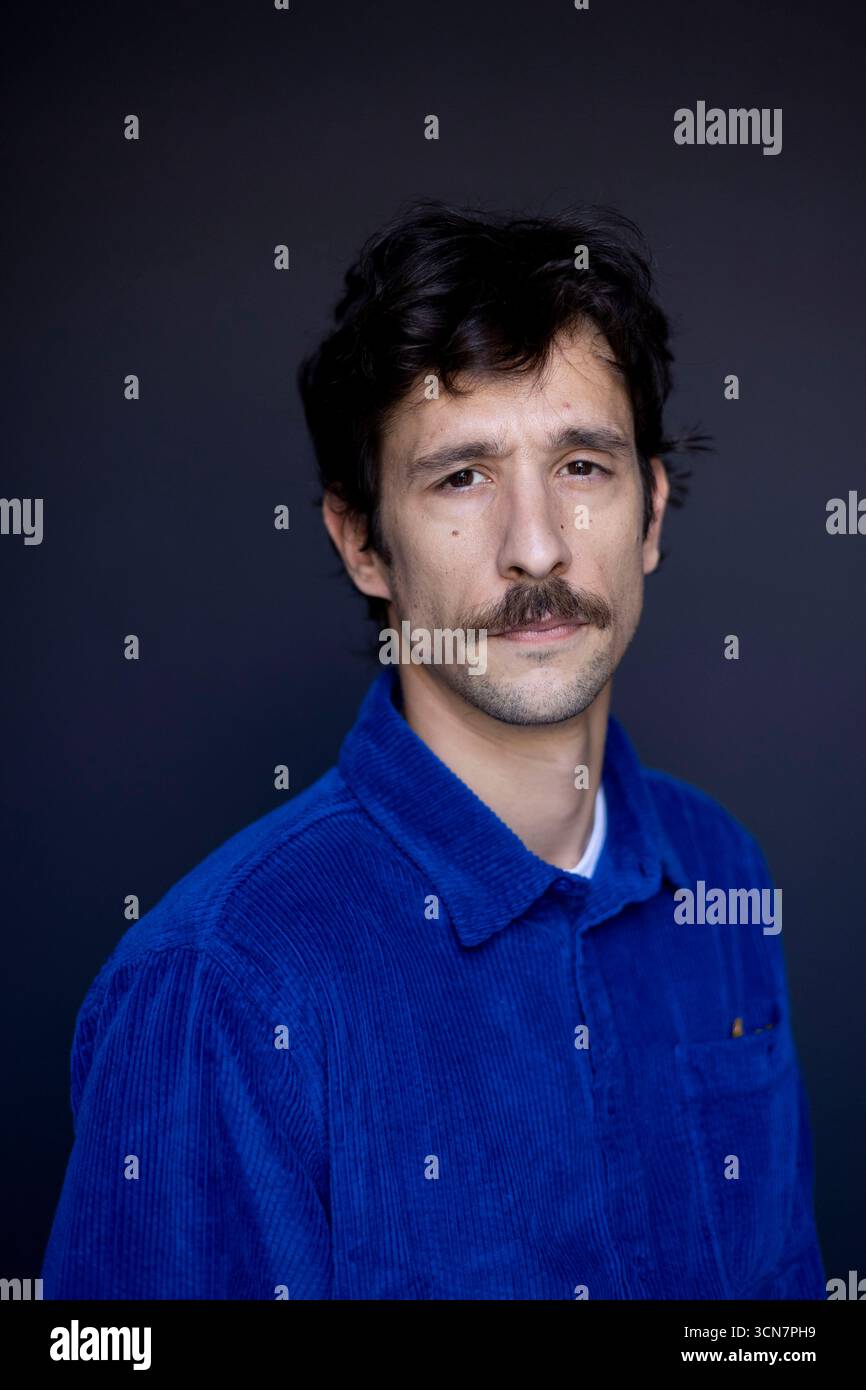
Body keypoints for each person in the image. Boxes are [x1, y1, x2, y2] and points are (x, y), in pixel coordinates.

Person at [42, 200, 825, 1299]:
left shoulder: (721, 871)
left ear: (650, 510)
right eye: (460, 476)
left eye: (583, 466)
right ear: (363, 540)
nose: (536, 545)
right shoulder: (218, 986)